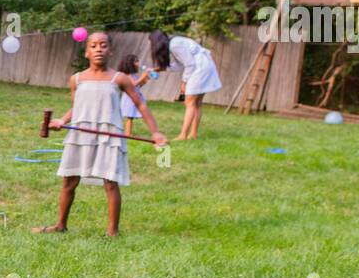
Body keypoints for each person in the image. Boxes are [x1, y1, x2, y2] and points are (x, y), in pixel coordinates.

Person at [34, 31, 167, 237]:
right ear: (87, 52)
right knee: (69, 181)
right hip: (81, 134)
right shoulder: (77, 79)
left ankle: (112, 232)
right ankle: (60, 225)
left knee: (110, 182)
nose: (98, 49)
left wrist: (156, 132)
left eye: (103, 45)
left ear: (110, 51)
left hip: (108, 135)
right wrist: (62, 120)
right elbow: (77, 107)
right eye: (94, 46)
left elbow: (140, 104)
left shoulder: (119, 78)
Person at [150, 29, 221, 140]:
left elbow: (190, 64)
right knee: (196, 102)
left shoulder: (174, 45)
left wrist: (184, 82)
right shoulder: (174, 44)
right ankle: (193, 134)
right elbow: (181, 65)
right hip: (203, 65)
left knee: (189, 101)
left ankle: (183, 135)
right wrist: (162, 69)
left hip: (199, 67)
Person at [116, 53, 154, 137]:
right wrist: (143, 76)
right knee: (130, 117)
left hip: (136, 97)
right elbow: (132, 85)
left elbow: (138, 86)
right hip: (130, 98)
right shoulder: (127, 75)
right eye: (136, 61)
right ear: (130, 64)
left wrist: (145, 80)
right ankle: (128, 133)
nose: (138, 63)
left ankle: (153, 130)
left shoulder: (133, 75)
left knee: (143, 114)